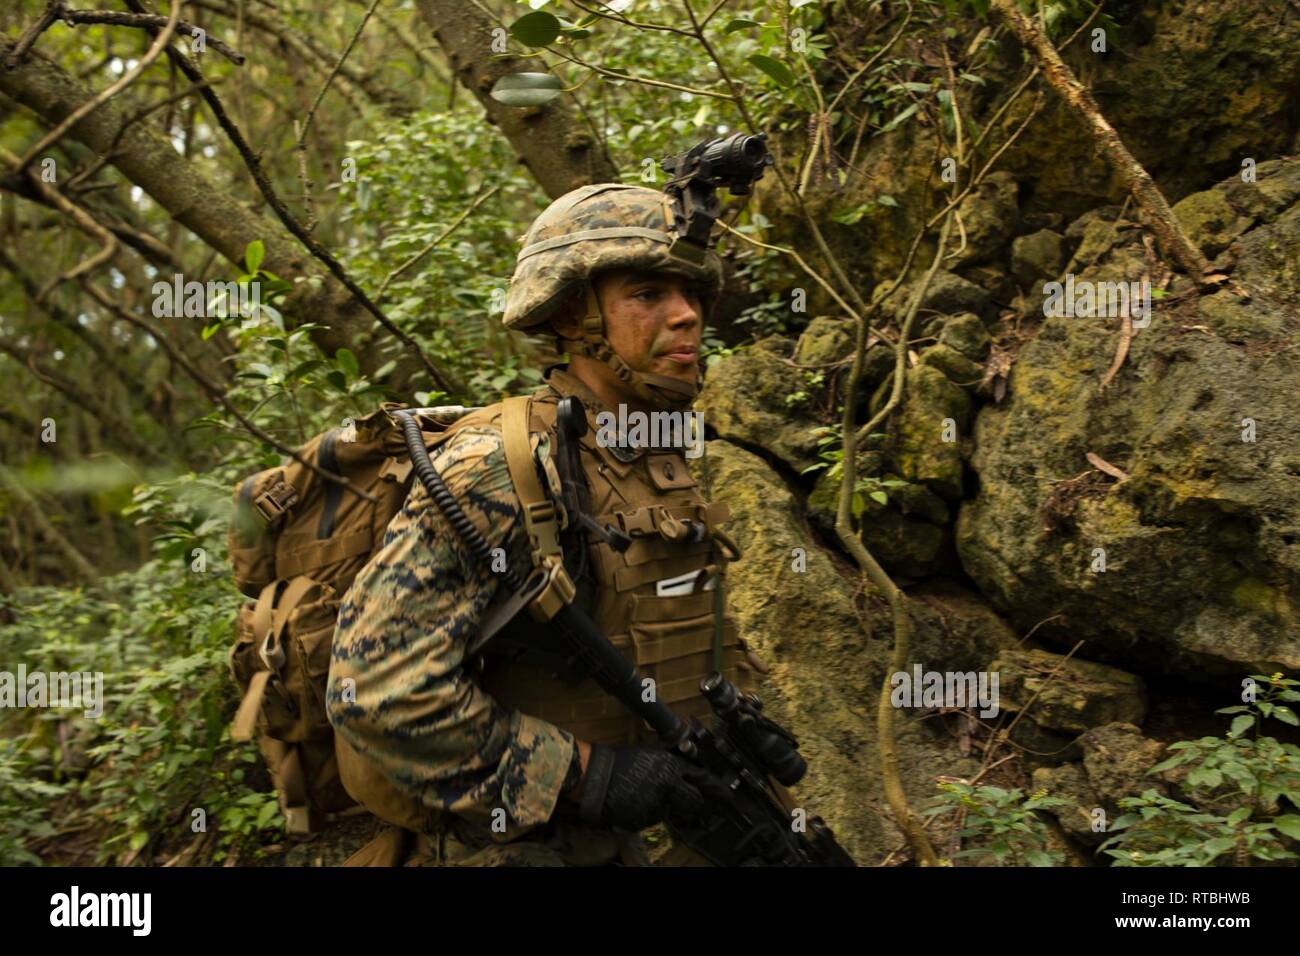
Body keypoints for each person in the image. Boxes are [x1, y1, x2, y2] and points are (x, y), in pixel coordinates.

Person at [327, 183, 768, 866]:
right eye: (648, 295)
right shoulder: (503, 467)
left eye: (692, 294)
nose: (686, 316)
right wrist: (591, 776)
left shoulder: (653, 451)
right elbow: (374, 693)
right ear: (569, 316)